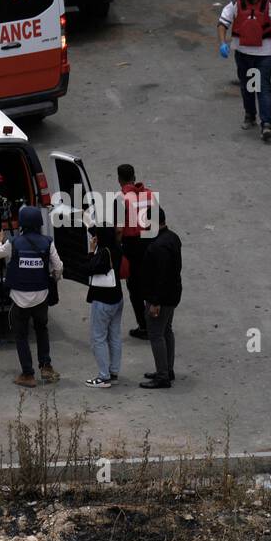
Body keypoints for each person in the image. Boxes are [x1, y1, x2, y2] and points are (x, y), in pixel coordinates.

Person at [217, 0, 271, 143]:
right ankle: (250, 115)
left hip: (263, 55)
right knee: (249, 86)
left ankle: (266, 124)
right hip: (243, 53)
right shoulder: (236, 3)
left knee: (263, 88)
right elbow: (222, 23)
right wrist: (222, 43)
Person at [0, 205, 62, 388]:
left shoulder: (14, 243)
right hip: (41, 296)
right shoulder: (48, 242)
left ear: (22, 224)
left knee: (21, 336)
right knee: (41, 330)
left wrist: (0, 240)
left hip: (19, 298)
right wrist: (54, 278)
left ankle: (27, 374)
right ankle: (46, 366)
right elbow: (58, 267)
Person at [139, 208, 181, 389]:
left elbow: (161, 276)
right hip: (172, 295)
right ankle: (167, 369)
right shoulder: (173, 238)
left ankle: (162, 376)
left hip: (160, 298)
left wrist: (155, 302)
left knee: (156, 334)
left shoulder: (158, 246)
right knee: (167, 331)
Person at [116, 164, 155, 340]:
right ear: (134, 176)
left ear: (119, 179)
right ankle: (156, 322)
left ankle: (144, 326)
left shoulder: (121, 197)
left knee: (135, 288)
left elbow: (118, 229)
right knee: (150, 282)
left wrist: (116, 247)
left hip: (131, 246)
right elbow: (155, 221)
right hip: (149, 243)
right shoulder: (149, 194)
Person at [84, 224, 125, 388]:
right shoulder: (116, 248)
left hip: (103, 301)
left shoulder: (102, 253)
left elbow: (88, 268)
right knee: (114, 336)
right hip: (117, 298)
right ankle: (113, 372)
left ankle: (103, 377)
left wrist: (90, 250)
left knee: (98, 338)